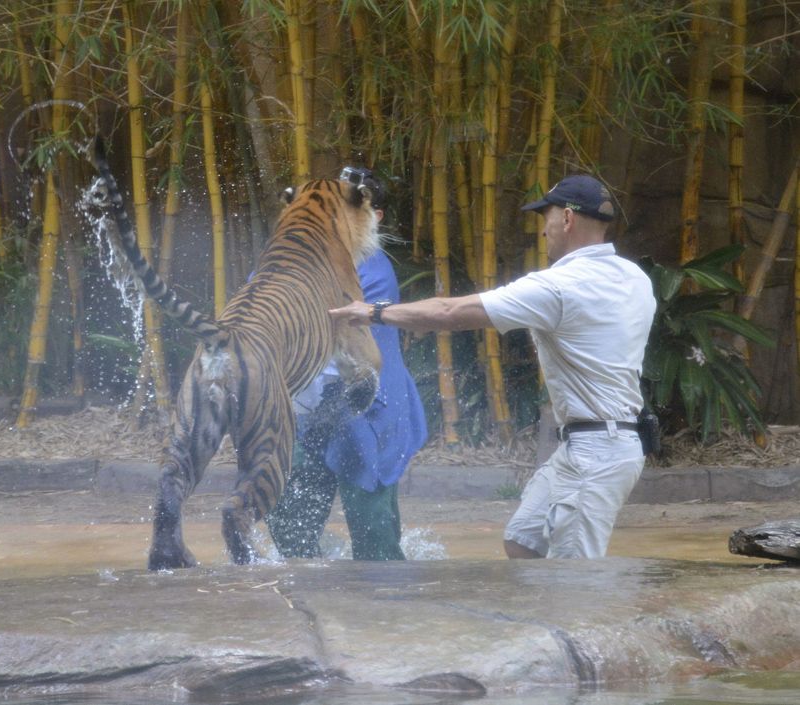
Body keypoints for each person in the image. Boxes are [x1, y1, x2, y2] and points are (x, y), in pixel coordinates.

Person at [330, 174, 656, 559]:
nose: (544, 230)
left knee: (576, 578)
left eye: (547, 218)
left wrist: (373, 312)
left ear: (567, 219)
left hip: (596, 452)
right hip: (599, 442)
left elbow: (450, 312)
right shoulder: (634, 278)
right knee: (522, 541)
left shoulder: (560, 286)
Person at [266, 166, 428, 561]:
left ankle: (382, 597)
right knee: (288, 529)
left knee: (375, 543)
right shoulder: (296, 253)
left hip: (368, 414)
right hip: (309, 416)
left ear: (373, 216)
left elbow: (331, 345)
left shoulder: (373, 271)